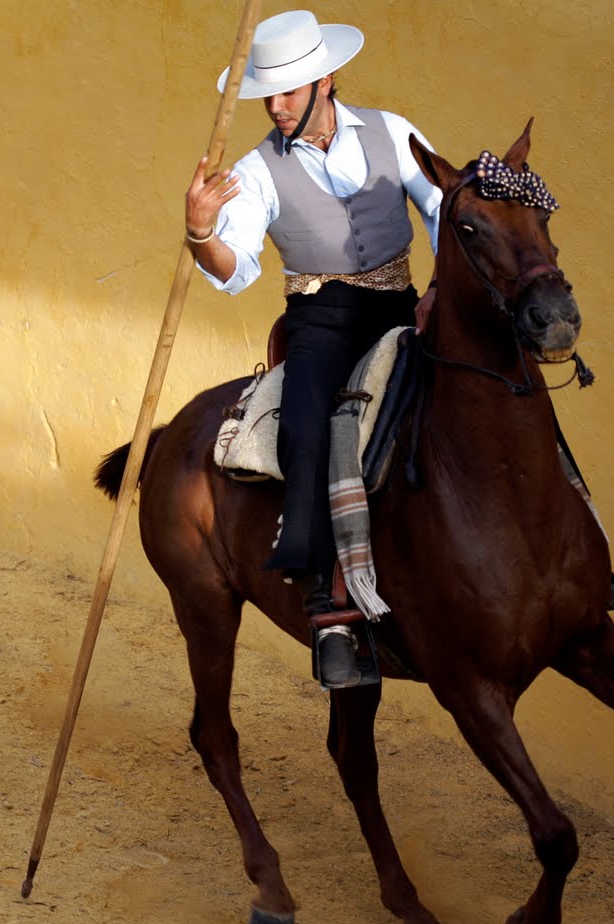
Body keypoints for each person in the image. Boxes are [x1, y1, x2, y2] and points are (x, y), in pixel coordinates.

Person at [184, 9, 439, 688]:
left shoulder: (393, 131)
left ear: (327, 79)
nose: (275, 105)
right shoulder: (255, 169)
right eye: (268, 94)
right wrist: (200, 231)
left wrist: (441, 289)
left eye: (288, 91)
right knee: (304, 428)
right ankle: (328, 613)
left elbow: (446, 209)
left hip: (401, 308)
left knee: (495, 388)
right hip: (320, 320)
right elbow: (233, 264)